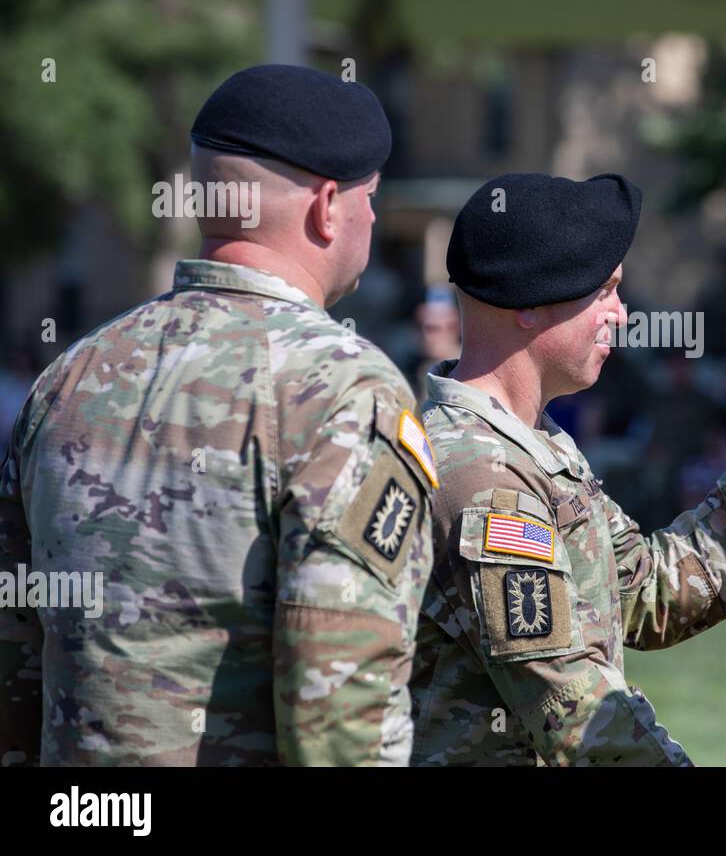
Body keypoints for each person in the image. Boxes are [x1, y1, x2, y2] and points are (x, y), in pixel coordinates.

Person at [0, 64, 440, 766]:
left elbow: (16, 659)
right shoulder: (346, 390)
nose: (375, 219)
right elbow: (341, 711)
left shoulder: (68, 377)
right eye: (370, 198)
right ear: (327, 206)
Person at [408, 172, 726, 765]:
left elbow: (651, 592)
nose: (621, 315)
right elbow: (575, 710)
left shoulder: (530, 444)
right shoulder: (481, 476)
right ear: (529, 304)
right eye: (604, 291)